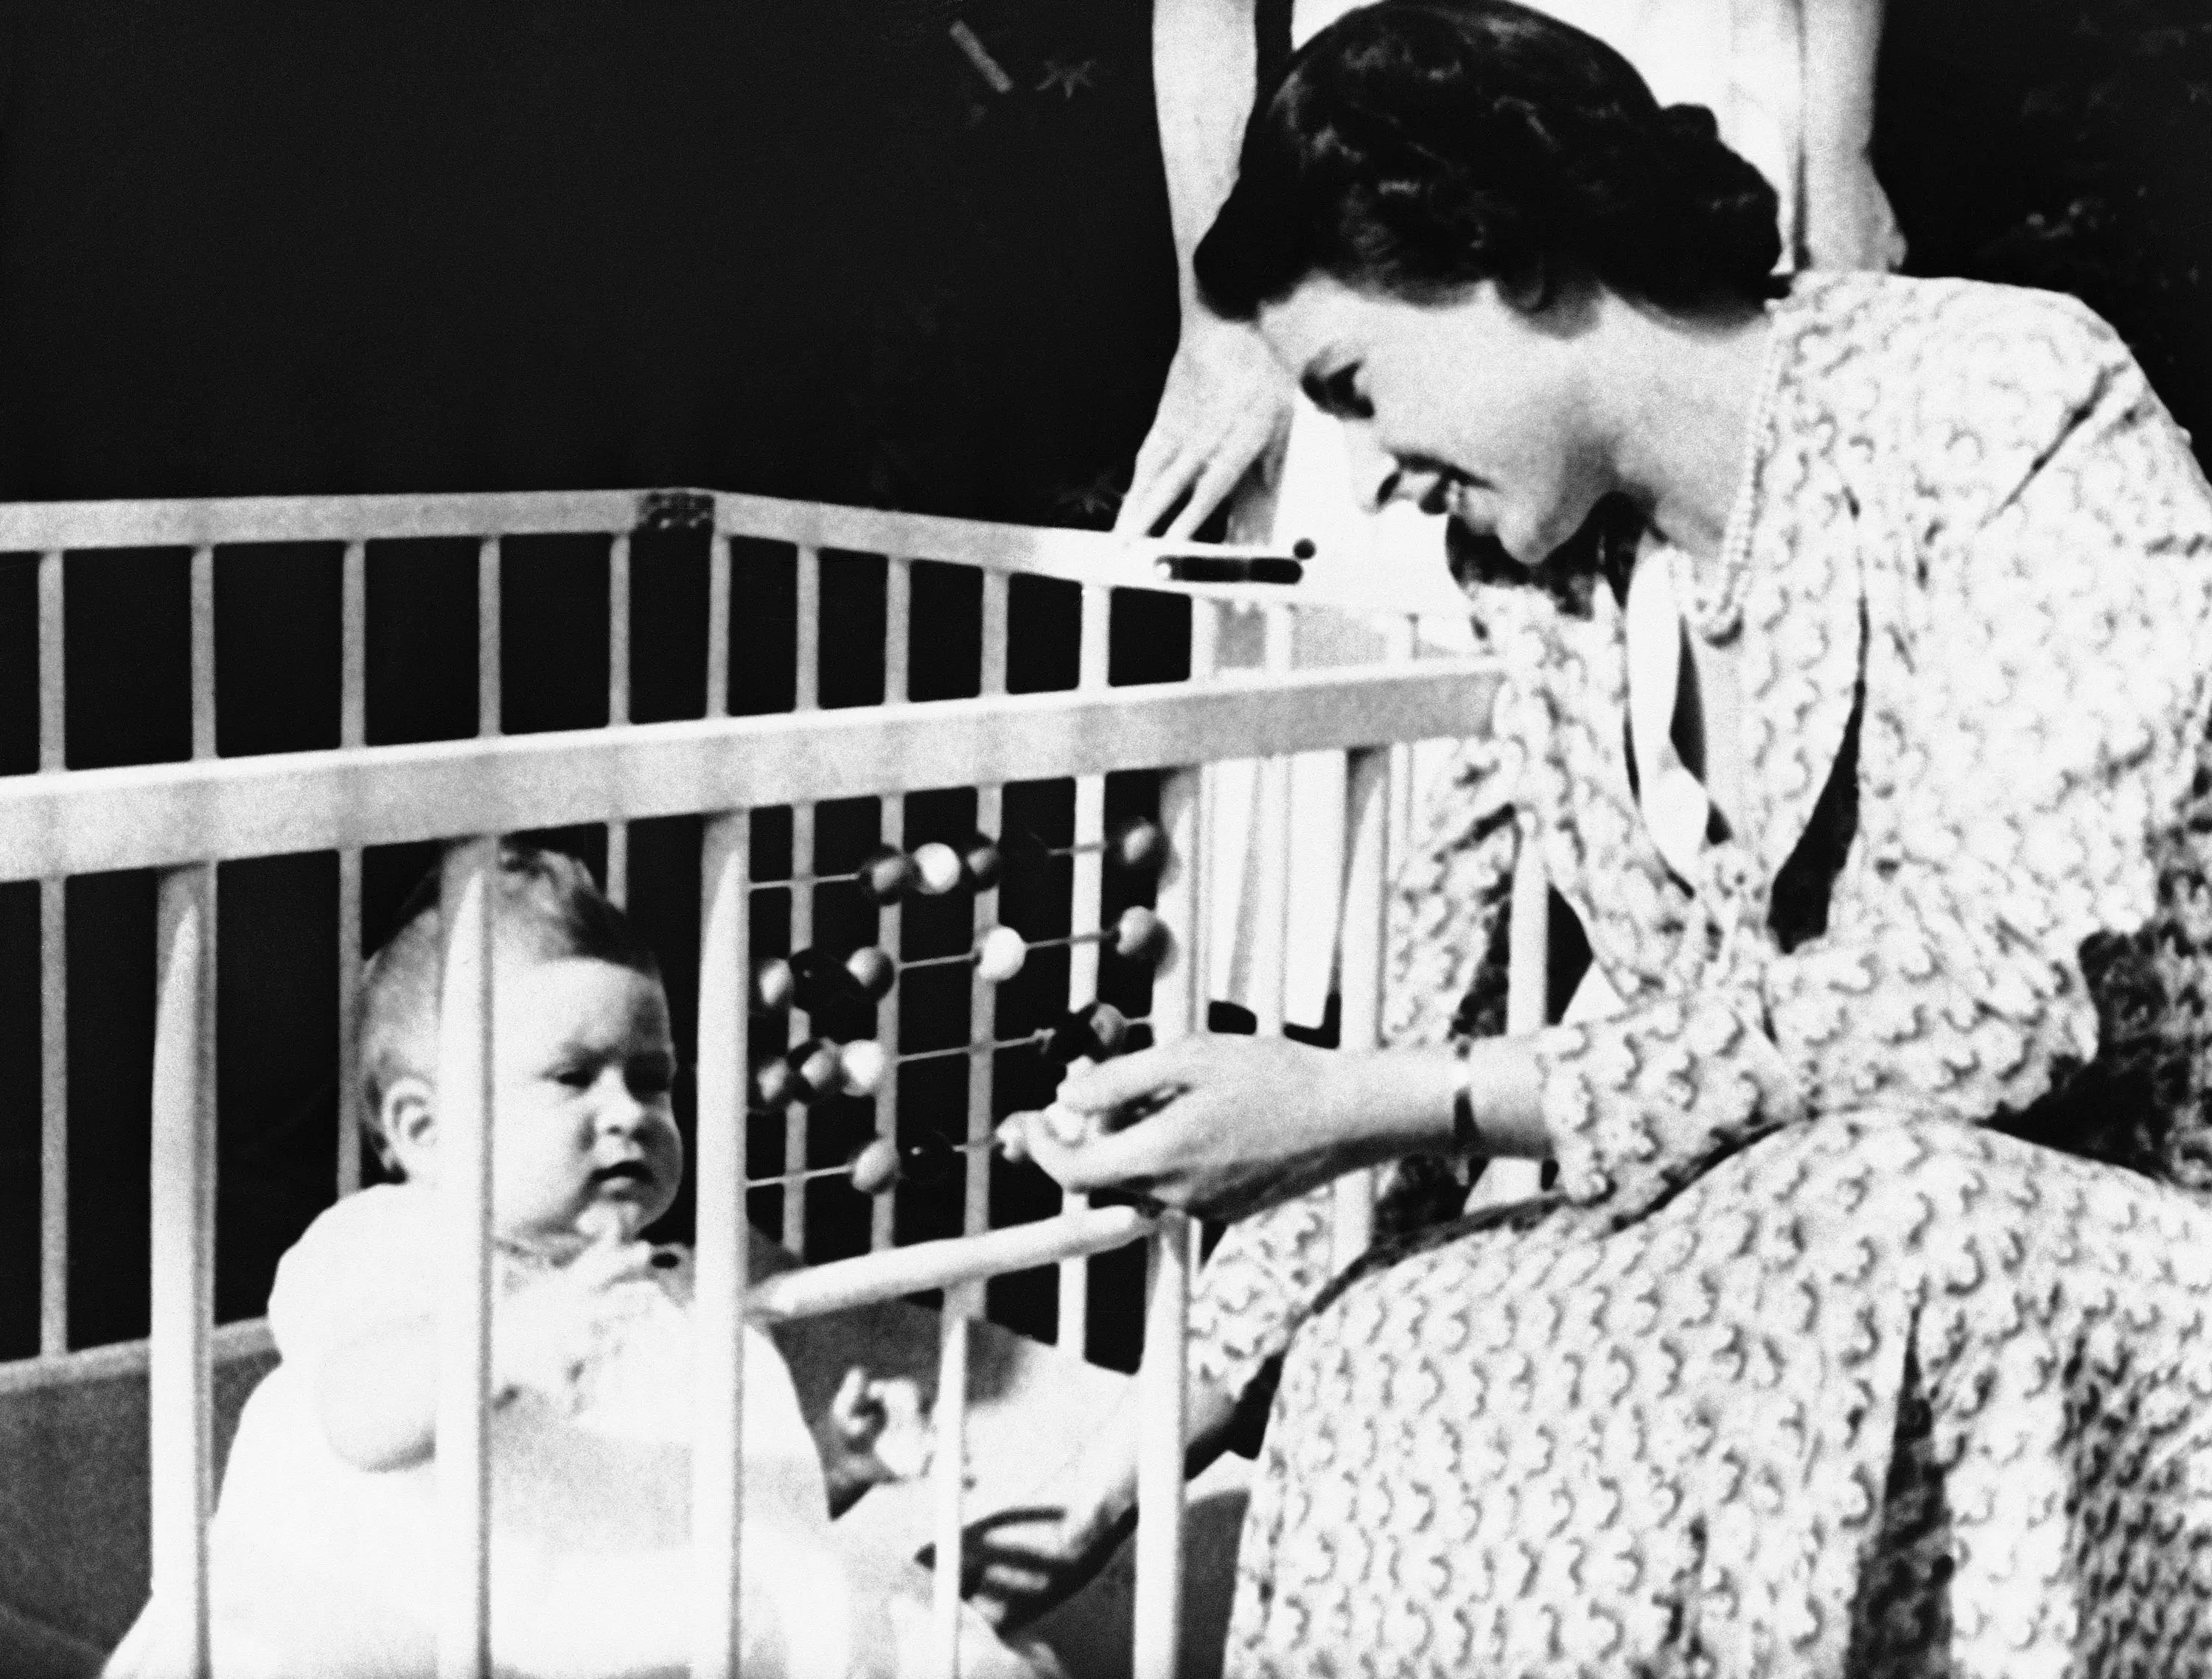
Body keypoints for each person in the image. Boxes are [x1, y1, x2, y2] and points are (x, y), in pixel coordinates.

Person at [997, 1, 2212, 1671]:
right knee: (1388, 1345)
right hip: (1813, 1239)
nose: (1369, 467)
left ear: (1499, 257)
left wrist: (1409, 1098)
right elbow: (1399, 1057)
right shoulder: (1543, 584)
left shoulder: (2004, 396)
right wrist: (1118, 1463)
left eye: (1354, 383)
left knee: (1853, 1212)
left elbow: (1998, 993)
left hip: (2110, 1247)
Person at [106, 846, 1028, 1679]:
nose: (627, 1111)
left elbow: (655, 1497)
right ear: (424, 1132)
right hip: (400, 1626)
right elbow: (352, 1411)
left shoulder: (654, 1284)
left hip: (607, 1634)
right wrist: (499, 1344)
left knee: (901, 1629)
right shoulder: (391, 1245)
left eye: (652, 1077)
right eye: (572, 1077)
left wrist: (826, 1459)